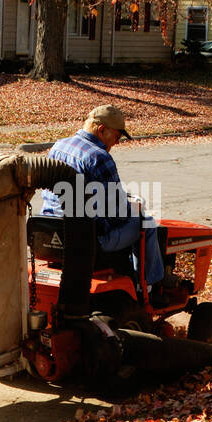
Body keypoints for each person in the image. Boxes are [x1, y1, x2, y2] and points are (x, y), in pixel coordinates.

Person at [40, 105, 177, 305]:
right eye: (117, 136)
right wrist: (134, 206)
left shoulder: (58, 146)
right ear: (101, 130)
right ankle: (151, 285)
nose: (117, 142)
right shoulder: (99, 157)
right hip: (88, 237)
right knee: (146, 223)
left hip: (52, 229)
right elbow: (118, 214)